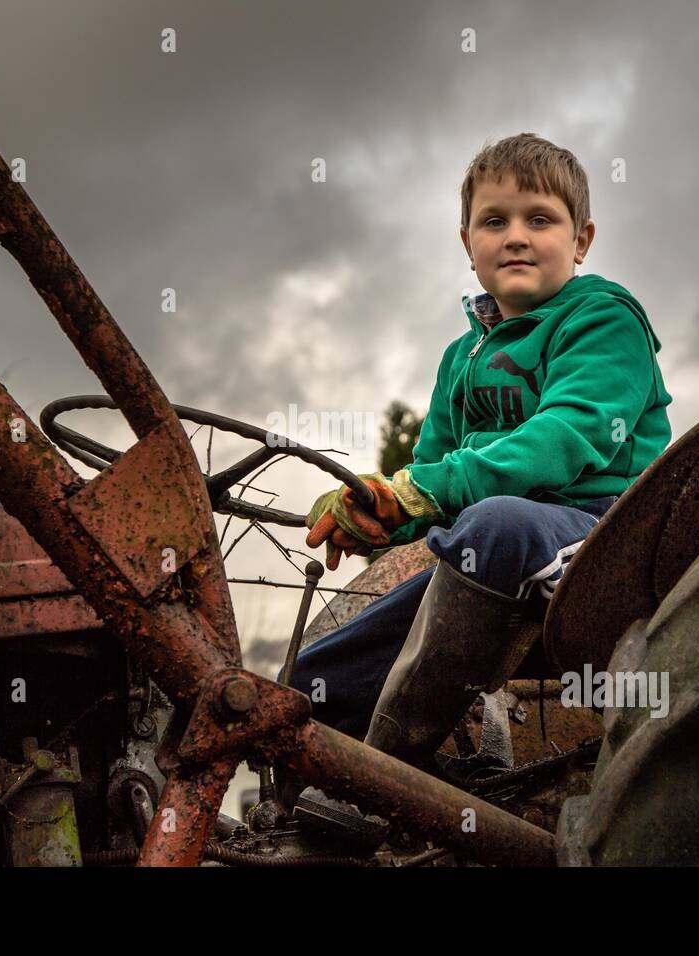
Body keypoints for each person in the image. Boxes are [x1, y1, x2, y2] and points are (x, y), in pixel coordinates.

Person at [287, 133, 673, 770]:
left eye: (540, 219)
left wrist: (431, 488)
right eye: (494, 221)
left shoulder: (605, 321)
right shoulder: (459, 357)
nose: (515, 236)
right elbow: (435, 473)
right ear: (468, 244)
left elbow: (565, 437)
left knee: (496, 521)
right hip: (493, 546)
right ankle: (304, 800)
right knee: (309, 681)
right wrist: (383, 510)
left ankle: (380, 780)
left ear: (582, 240)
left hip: (604, 535)